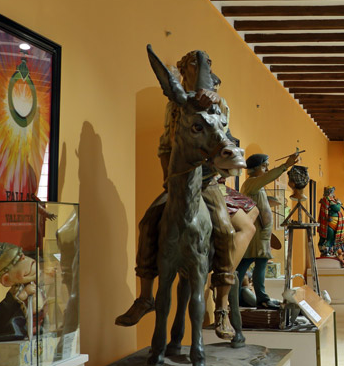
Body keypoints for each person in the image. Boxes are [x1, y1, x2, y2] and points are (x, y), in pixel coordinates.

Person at [116, 50, 239, 329]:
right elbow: (165, 146)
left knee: (225, 231)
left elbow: (222, 140)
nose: (201, 68)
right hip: (179, 180)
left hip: (207, 182)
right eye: (194, 63)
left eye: (206, 64)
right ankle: (145, 297)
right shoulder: (174, 104)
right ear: (184, 70)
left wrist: (215, 101)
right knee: (148, 223)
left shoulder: (219, 103)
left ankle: (222, 307)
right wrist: (169, 182)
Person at [238, 151, 299, 309]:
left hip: (261, 232)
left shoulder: (255, 186)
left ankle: (240, 296)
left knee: (247, 263)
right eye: (264, 166)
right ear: (254, 168)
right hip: (257, 233)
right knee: (254, 263)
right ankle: (261, 299)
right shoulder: (251, 183)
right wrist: (286, 165)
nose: (267, 169)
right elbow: (267, 178)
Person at [317, 186, 344, 255]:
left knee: (331, 238)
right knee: (330, 238)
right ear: (330, 192)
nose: (333, 193)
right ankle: (325, 250)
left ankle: (327, 251)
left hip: (332, 223)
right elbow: (337, 208)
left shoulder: (329, 200)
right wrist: (339, 203)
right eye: (332, 192)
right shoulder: (328, 199)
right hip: (330, 223)